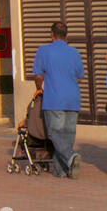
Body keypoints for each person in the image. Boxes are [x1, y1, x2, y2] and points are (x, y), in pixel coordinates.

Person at [31, 21, 84, 178]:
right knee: (67, 134)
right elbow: (79, 77)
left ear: (51, 35)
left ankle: (70, 156)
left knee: (55, 133)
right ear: (66, 36)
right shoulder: (75, 53)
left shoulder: (43, 50)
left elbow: (38, 75)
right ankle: (63, 170)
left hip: (54, 99)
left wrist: (40, 88)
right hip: (73, 99)